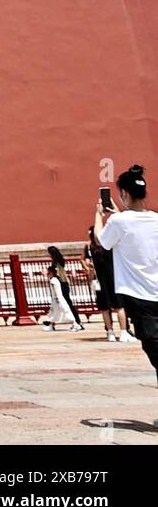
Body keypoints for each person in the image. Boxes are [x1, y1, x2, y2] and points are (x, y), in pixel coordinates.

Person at [97, 165, 158, 386]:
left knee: (152, 346)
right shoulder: (156, 219)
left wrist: (100, 215)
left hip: (138, 295)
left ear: (124, 194)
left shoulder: (118, 221)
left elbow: (102, 241)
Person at [85, 227, 132, 343]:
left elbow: (88, 264)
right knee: (120, 307)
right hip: (114, 279)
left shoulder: (91, 248)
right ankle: (123, 332)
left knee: (105, 308)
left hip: (101, 282)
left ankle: (110, 332)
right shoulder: (110, 247)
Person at [41, 245, 84, 332]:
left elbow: (55, 272)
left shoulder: (56, 263)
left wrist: (48, 271)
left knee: (65, 303)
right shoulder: (59, 261)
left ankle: (76, 322)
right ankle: (74, 321)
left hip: (61, 283)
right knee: (64, 303)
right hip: (64, 283)